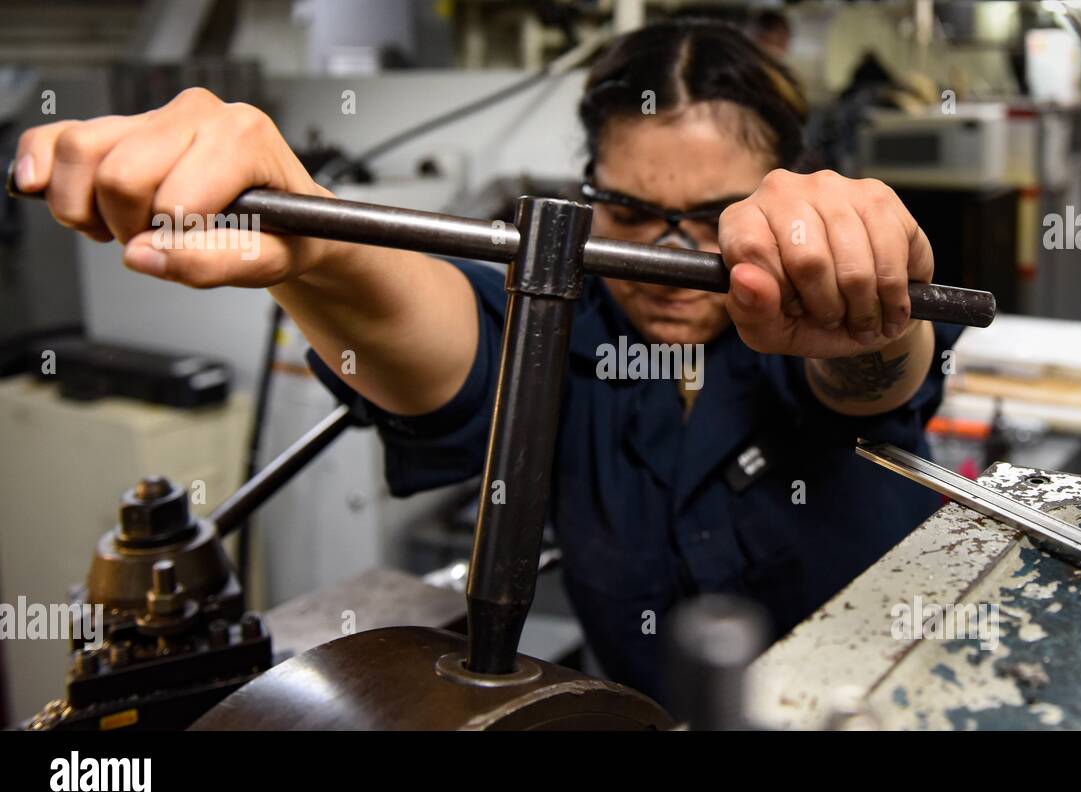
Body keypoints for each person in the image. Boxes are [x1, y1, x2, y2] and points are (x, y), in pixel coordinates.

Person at [13, 19, 957, 702]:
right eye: (630, 213)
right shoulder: (566, 322)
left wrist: (867, 312)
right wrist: (321, 245)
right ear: (588, 192)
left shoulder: (799, 314)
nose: (670, 262)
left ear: (784, 190)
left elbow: (873, 380)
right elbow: (449, 343)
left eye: (713, 218)